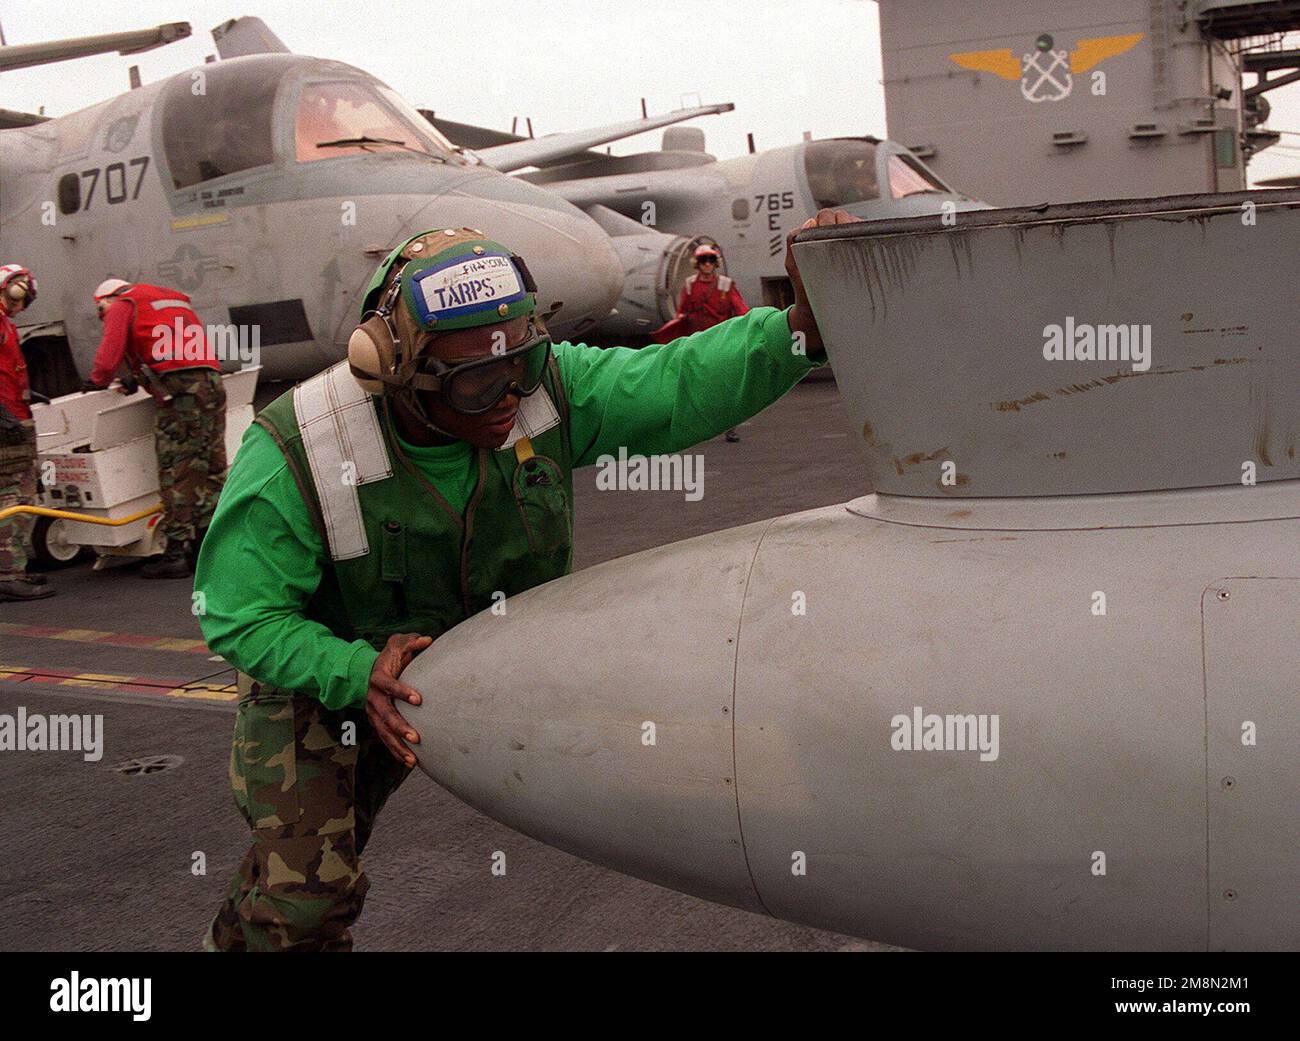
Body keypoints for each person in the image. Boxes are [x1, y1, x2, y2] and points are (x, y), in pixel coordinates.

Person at [197, 210, 860, 952]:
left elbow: (674, 381)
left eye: (519, 364)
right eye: (475, 382)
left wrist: (801, 324)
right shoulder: (304, 446)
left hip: (449, 667)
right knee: (305, 896)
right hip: (325, 672)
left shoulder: (546, 388)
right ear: (398, 369)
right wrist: (356, 672)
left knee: (305, 880)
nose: (508, 396)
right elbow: (238, 613)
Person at [85, 280, 227, 579]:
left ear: (107, 298)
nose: (103, 315)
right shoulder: (170, 299)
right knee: (209, 467)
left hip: (181, 393)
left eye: (101, 310)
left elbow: (108, 357)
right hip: (212, 383)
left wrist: (97, 381)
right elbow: (173, 348)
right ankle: (207, 548)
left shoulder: (124, 304)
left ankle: (175, 552)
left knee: (177, 469)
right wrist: (139, 377)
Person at [654, 244, 751, 441]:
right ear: (697, 264)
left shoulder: (726, 285)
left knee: (726, 384)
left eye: (710, 260)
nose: (707, 264)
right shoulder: (689, 285)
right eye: (703, 260)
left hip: (720, 341)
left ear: (715, 263)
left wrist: (748, 328)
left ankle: (729, 426)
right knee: (695, 384)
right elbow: (682, 311)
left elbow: (741, 310)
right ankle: (693, 425)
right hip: (698, 342)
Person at [0, 265, 54, 602]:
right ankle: (7, 573)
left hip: (12, 415)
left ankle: (12, 566)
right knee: (16, 498)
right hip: (9, 425)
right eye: (23, 300)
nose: (22, 308)